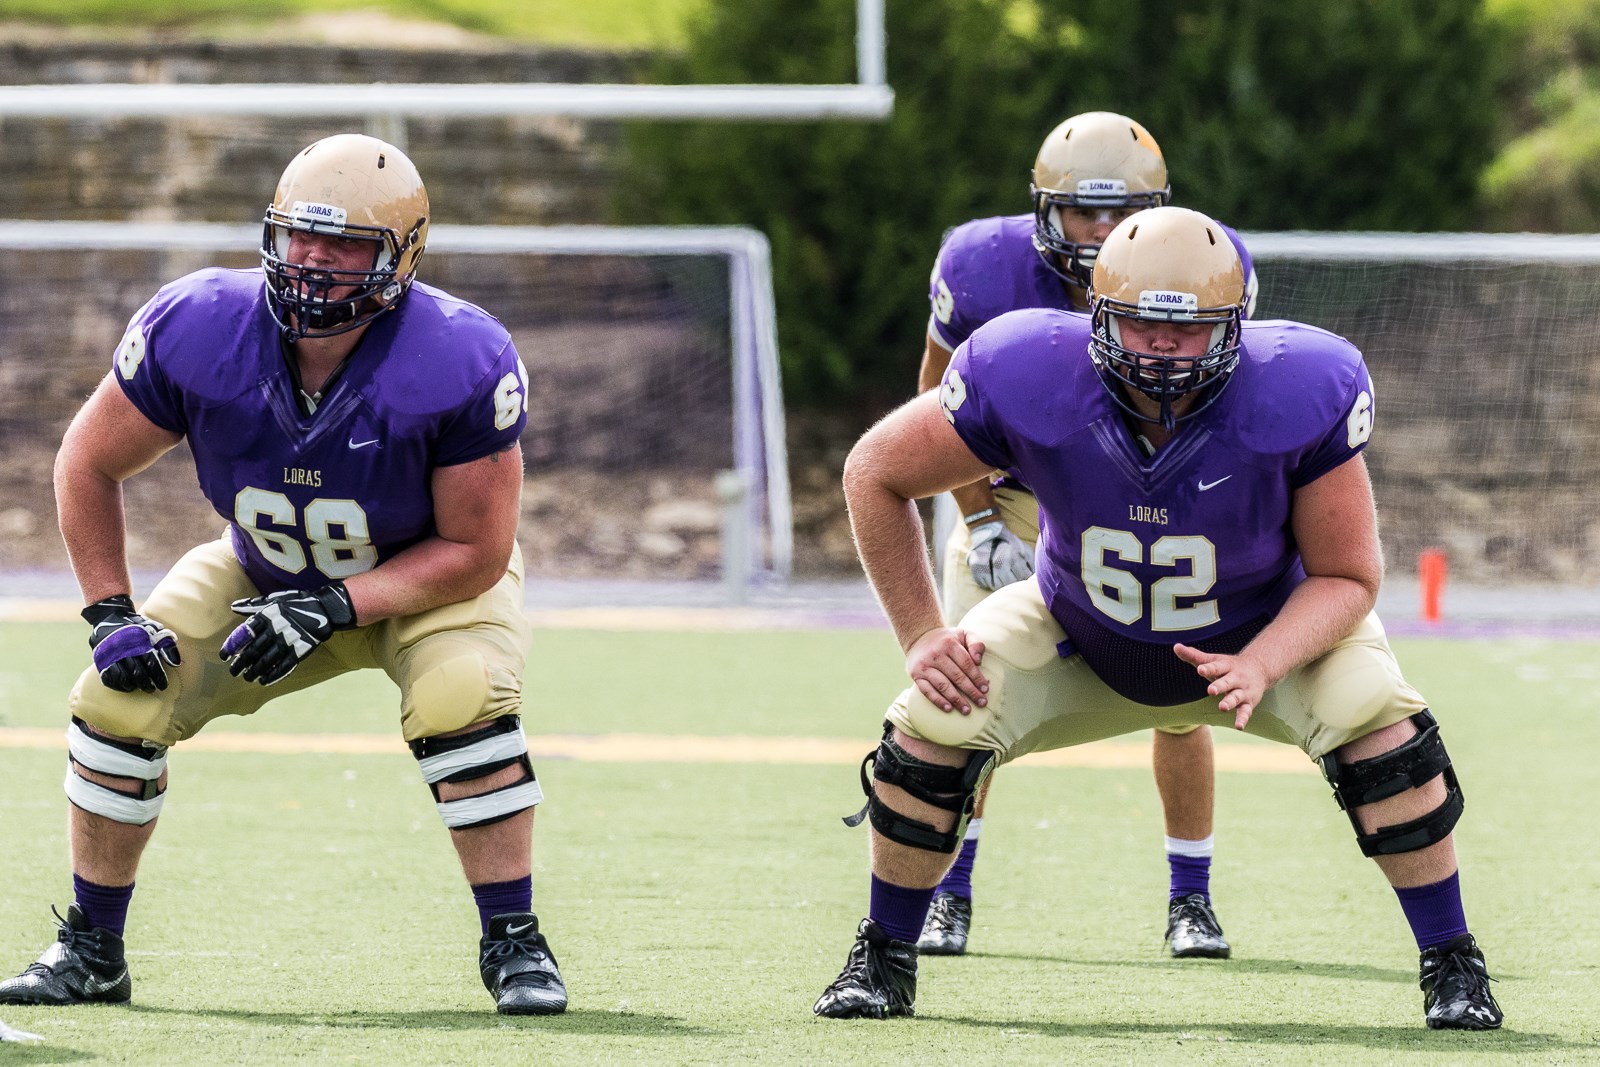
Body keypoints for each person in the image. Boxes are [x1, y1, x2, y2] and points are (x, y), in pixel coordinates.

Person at [816, 206, 1502, 1030]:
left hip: (1260, 630)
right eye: (1141, 323)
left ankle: (1452, 959)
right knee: (925, 728)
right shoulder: (1026, 367)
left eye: (1189, 328)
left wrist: (1264, 661)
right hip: (1078, 628)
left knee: (1388, 736)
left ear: (1237, 327)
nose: (1162, 348)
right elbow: (876, 472)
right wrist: (924, 632)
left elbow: (1349, 576)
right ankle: (884, 954)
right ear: (1098, 313)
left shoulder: (1298, 389)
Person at [0, 134, 566, 1017]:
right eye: (298, 235)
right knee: (114, 698)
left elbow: (477, 553)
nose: (311, 260)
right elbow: (87, 461)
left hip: (423, 581)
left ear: (401, 255)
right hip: (261, 569)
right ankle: (92, 946)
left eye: (342, 244)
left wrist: (337, 603)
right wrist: (111, 610)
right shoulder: (198, 324)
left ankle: (515, 941)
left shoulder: (459, 355)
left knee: (462, 694)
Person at [915, 111, 1258, 959]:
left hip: (1143, 492)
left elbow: (1221, 409)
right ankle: (946, 891)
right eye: (1083, 212)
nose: (1101, 231)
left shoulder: (1198, 259)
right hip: (1014, 490)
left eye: (1120, 212)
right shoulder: (983, 267)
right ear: (1044, 210)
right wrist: (984, 519)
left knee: (1180, 701)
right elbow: (937, 410)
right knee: (964, 690)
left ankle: (1192, 897)